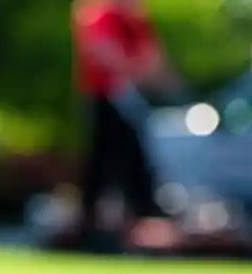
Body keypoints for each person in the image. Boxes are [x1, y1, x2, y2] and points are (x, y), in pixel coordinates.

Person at [69, 0, 179, 252]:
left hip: (130, 99)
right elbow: (100, 49)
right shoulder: (102, 14)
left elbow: (153, 58)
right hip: (106, 98)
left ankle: (145, 229)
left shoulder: (136, 21)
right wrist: (133, 69)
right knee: (101, 164)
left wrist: (170, 86)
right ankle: (90, 227)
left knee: (136, 165)